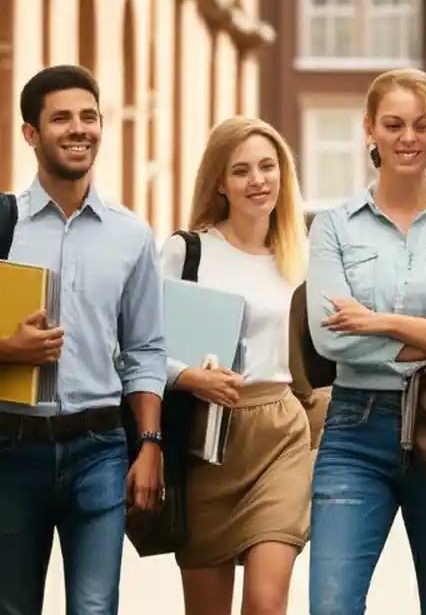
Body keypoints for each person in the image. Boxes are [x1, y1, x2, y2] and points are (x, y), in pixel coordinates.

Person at [305, 68, 426, 614]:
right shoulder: (334, 226)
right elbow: (330, 337)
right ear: (370, 128)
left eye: (422, 125)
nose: (409, 137)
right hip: (355, 431)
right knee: (332, 606)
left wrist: (383, 323)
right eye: (394, 124)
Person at [0, 65, 166, 614]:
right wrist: (8, 351)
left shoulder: (131, 235)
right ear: (31, 133)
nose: (79, 129)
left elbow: (145, 349)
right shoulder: (3, 225)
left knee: (95, 609)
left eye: (89, 116)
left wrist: (149, 444)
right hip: (10, 449)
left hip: (99, 449)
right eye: (62, 118)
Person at [159, 116, 311, 614]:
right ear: (220, 183)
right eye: (241, 170)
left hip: (280, 434)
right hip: (207, 439)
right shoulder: (188, 251)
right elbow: (141, 348)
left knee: (266, 603)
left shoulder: (302, 255)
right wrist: (190, 377)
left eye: (268, 167)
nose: (258, 180)